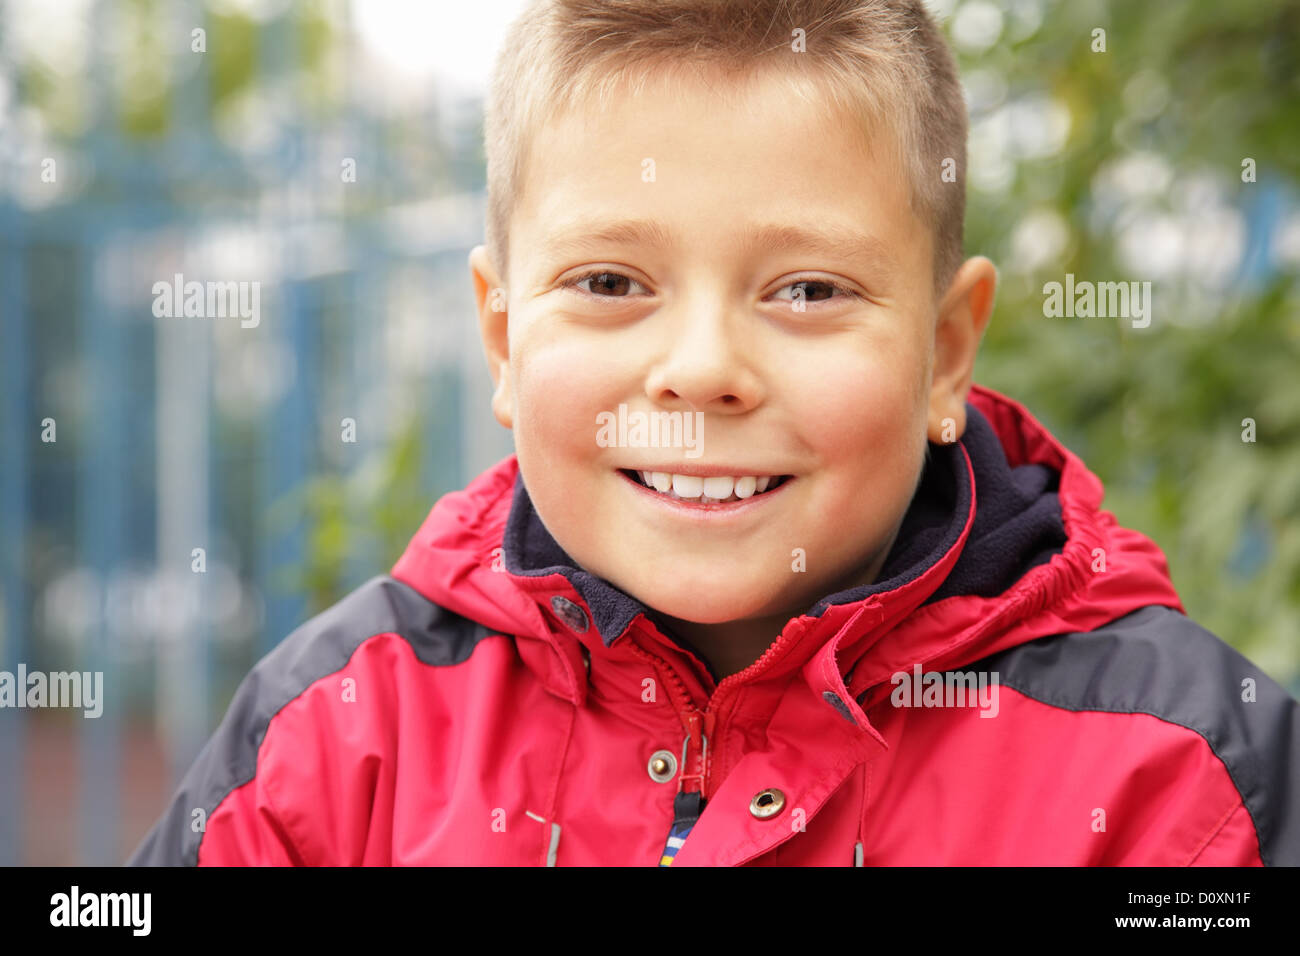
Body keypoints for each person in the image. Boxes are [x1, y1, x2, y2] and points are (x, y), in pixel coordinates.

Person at [128, 0, 1299, 866]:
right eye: (608, 279)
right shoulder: (340, 738)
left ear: (945, 353)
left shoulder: (1177, 777)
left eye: (806, 291)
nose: (699, 372)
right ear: (500, 334)